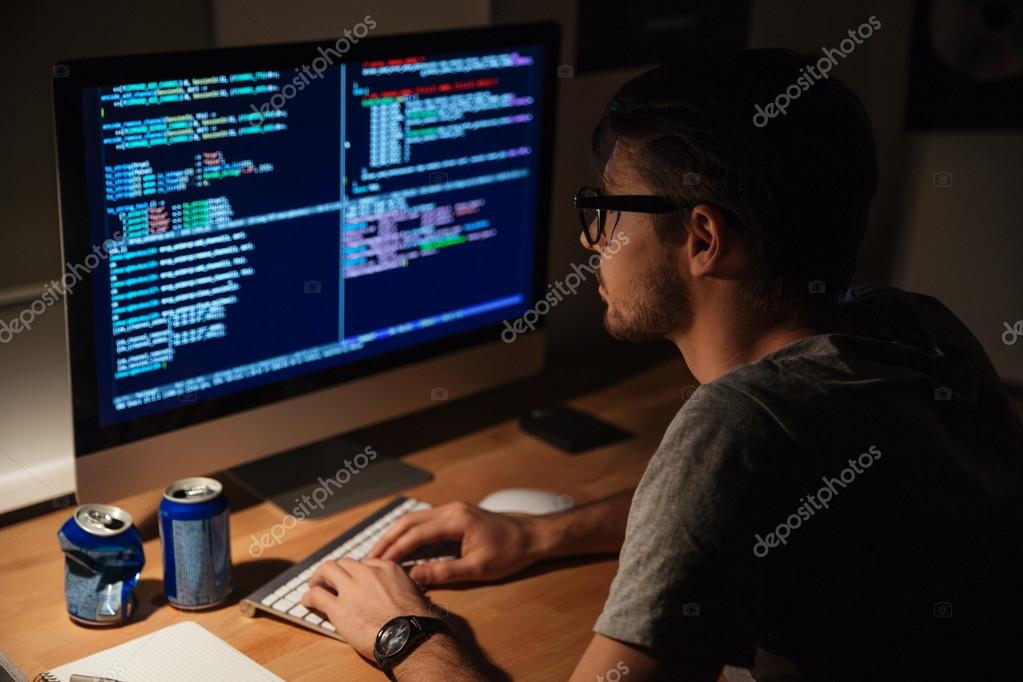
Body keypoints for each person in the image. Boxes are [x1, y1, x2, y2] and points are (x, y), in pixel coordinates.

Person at [301, 49, 1023, 681]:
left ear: (703, 237)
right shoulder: (914, 325)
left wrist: (402, 631)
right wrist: (543, 533)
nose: (593, 242)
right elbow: (741, 511)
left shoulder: (736, 428)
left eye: (609, 211)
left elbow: (728, 476)